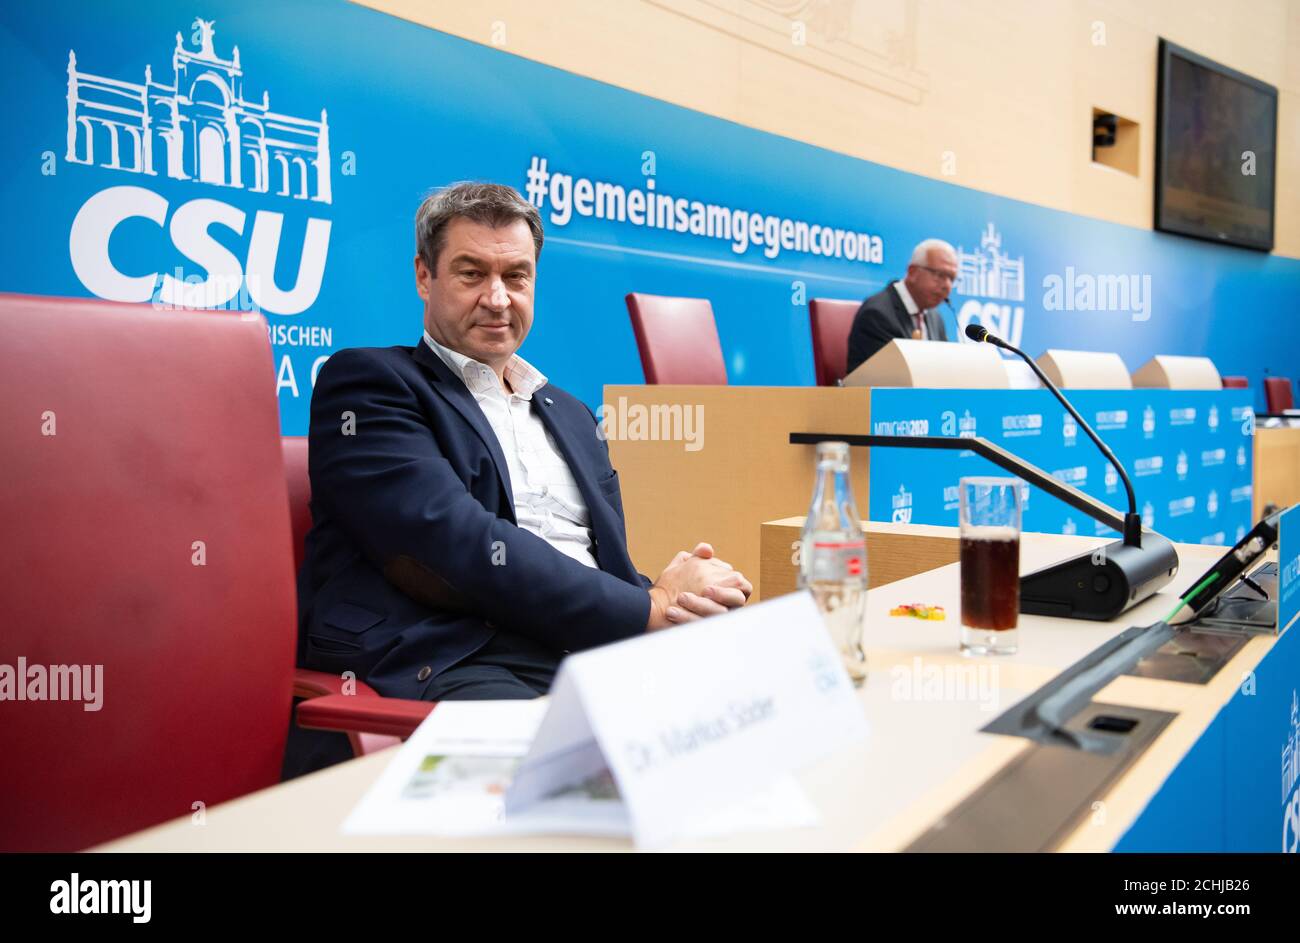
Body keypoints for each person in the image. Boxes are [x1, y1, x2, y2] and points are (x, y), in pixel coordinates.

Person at [295, 182, 751, 701]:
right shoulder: (370, 383)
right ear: (425, 276)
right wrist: (648, 607)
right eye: (472, 274)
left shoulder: (573, 414)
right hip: (455, 656)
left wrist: (681, 596)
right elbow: (454, 544)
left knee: (759, 688)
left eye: (516, 276)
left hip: (584, 649)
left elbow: (589, 557)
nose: (497, 299)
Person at [845, 238, 957, 376]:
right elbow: (891, 377)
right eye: (940, 275)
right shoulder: (877, 314)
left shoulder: (934, 316)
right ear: (913, 272)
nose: (947, 285)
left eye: (952, 278)